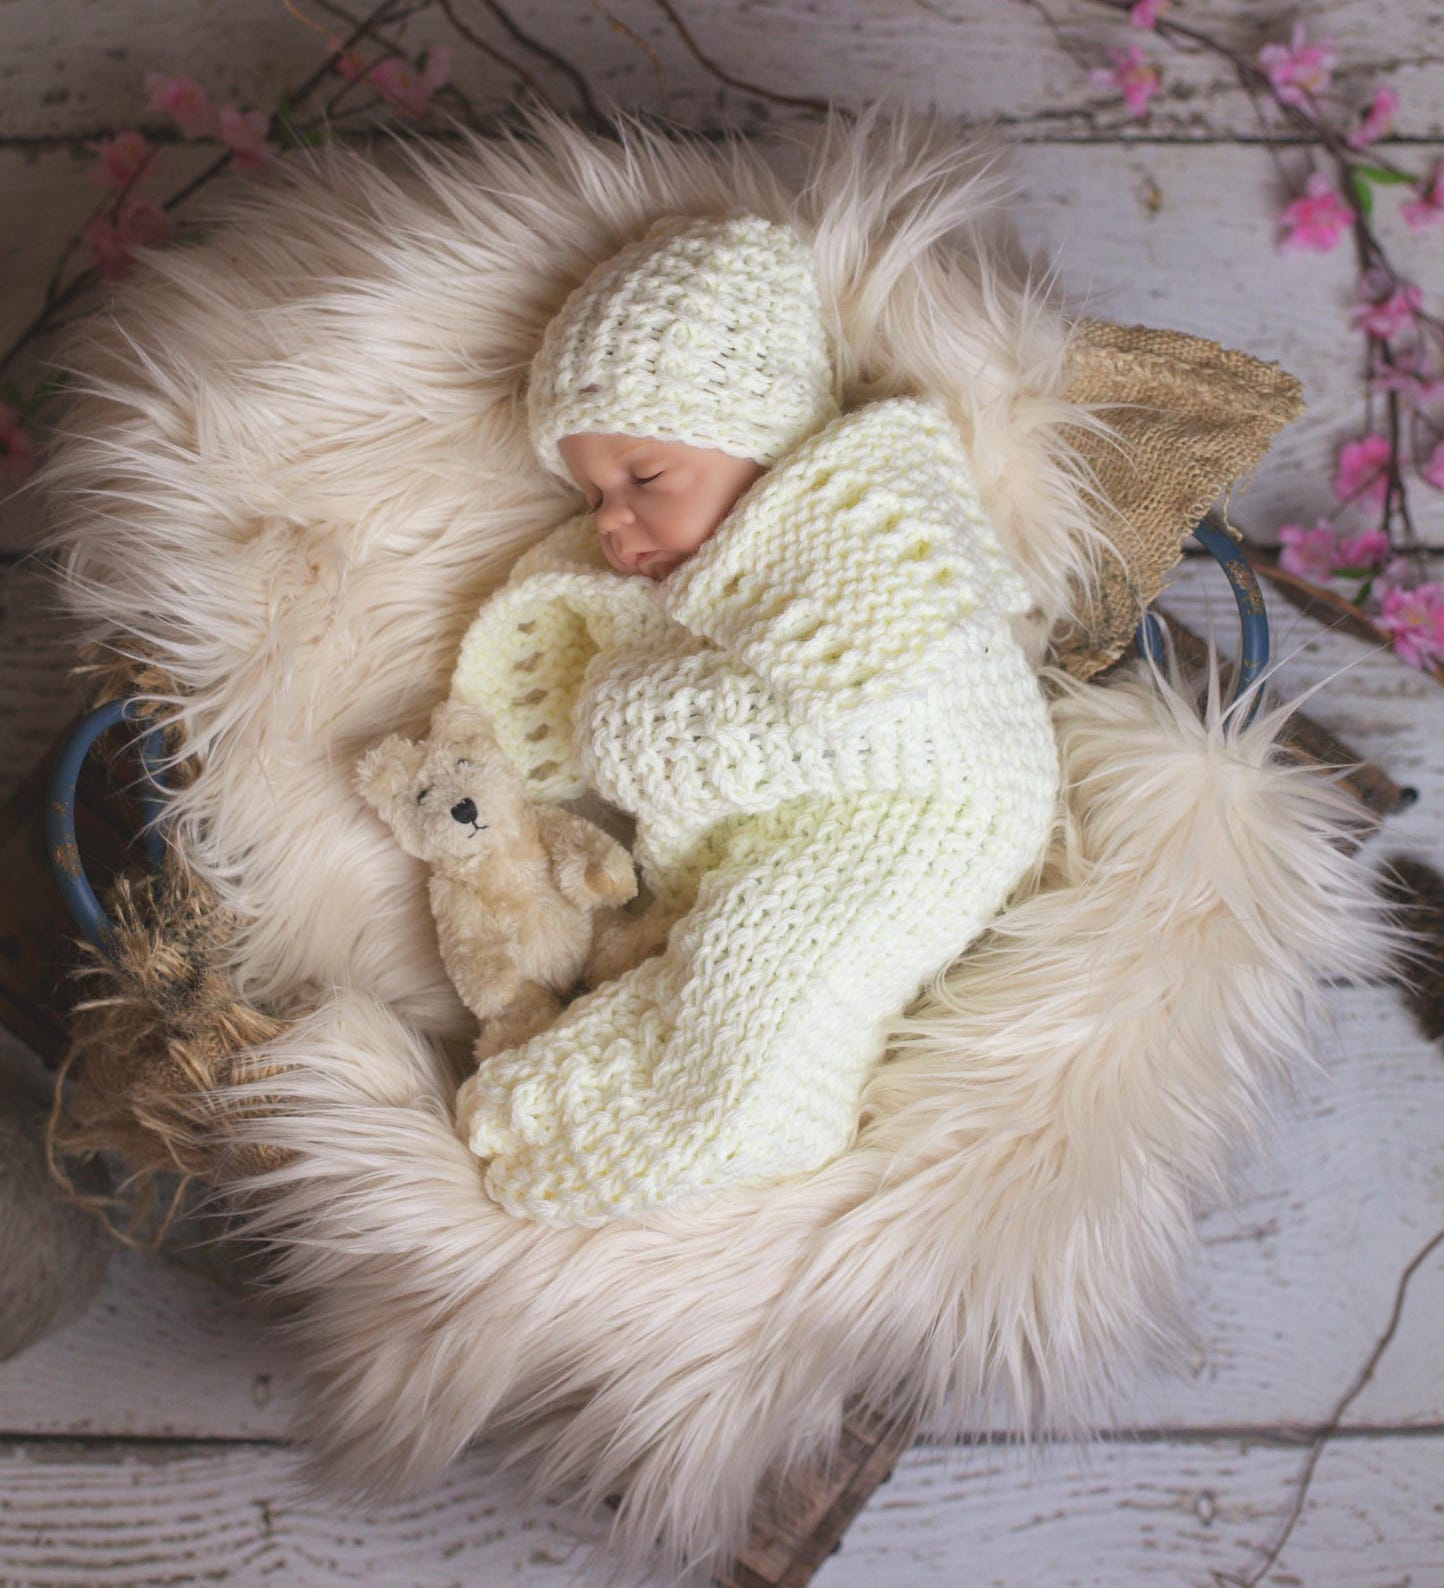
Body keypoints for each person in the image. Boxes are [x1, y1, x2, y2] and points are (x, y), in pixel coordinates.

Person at [449, 212, 1059, 1227]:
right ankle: (608, 1088)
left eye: (644, 477)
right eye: (591, 493)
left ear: (767, 446)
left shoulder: (856, 530)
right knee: (714, 952)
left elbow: (862, 712)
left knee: (767, 976)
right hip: (809, 819)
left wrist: (621, 720)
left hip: (927, 809)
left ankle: (753, 1110)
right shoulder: (699, 583)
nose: (611, 520)